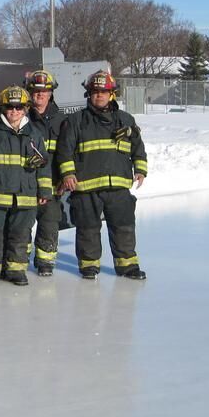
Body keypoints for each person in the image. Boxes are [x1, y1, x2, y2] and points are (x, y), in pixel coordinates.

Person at [56, 69, 148, 280]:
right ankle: (89, 266)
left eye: (104, 91)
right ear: (89, 94)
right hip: (86, 187)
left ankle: (127, 266)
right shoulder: (76, 121)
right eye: (95, 91)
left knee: (123, 227)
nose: (99, 95)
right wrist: (68, 173)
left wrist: (141, 170)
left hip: (118, 187)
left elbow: (138, 148)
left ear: (112, 94)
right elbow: (65, 150)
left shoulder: (126, 120)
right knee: (88, 229)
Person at [0, 85, 52, 286]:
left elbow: (43, 167)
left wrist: (45, 190)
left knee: (21, 234)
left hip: (26, 195)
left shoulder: (35, 135)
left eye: (18, 107)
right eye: (10, 107)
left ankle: (16, 271)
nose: (14, 112)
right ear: (3, 109)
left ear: (25, 109)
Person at [24, 69, 73, 277]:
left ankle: (45, 263)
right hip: (24, 184)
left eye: (44, 91)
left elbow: (68, 151)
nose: (40, 94)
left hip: (51, 186)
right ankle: (18, 261)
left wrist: (64, 176)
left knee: (49, 223)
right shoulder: (20, 116)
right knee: (21, 225)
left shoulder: (62, 121)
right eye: (36, 91)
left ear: (51, 93)